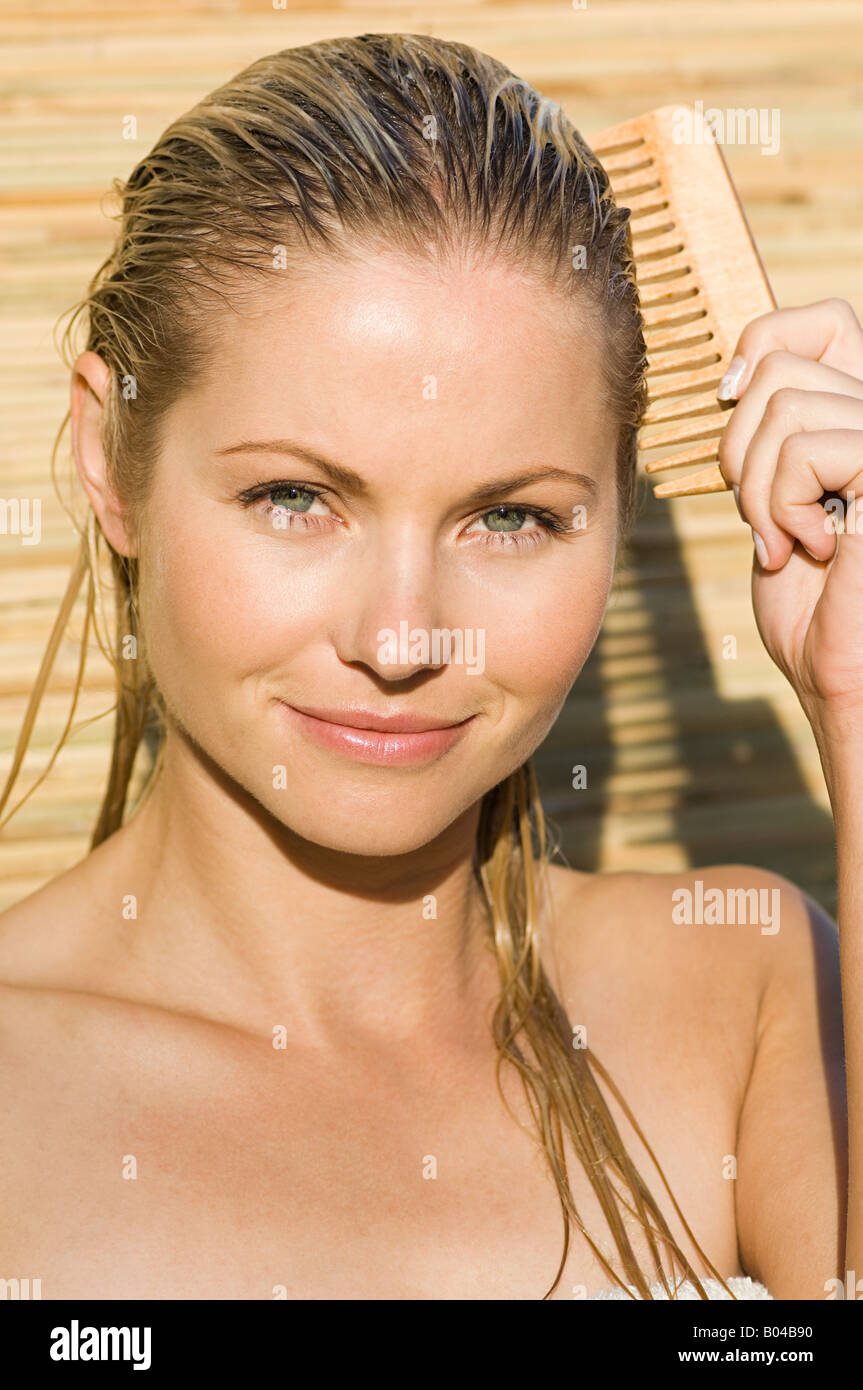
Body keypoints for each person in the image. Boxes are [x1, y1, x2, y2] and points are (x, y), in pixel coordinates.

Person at [0, 32, 857, 1301]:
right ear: (106, 455)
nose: (402, 641)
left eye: (511, 518)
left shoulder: (749, 996)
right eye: (295, 497)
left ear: (617, 510)